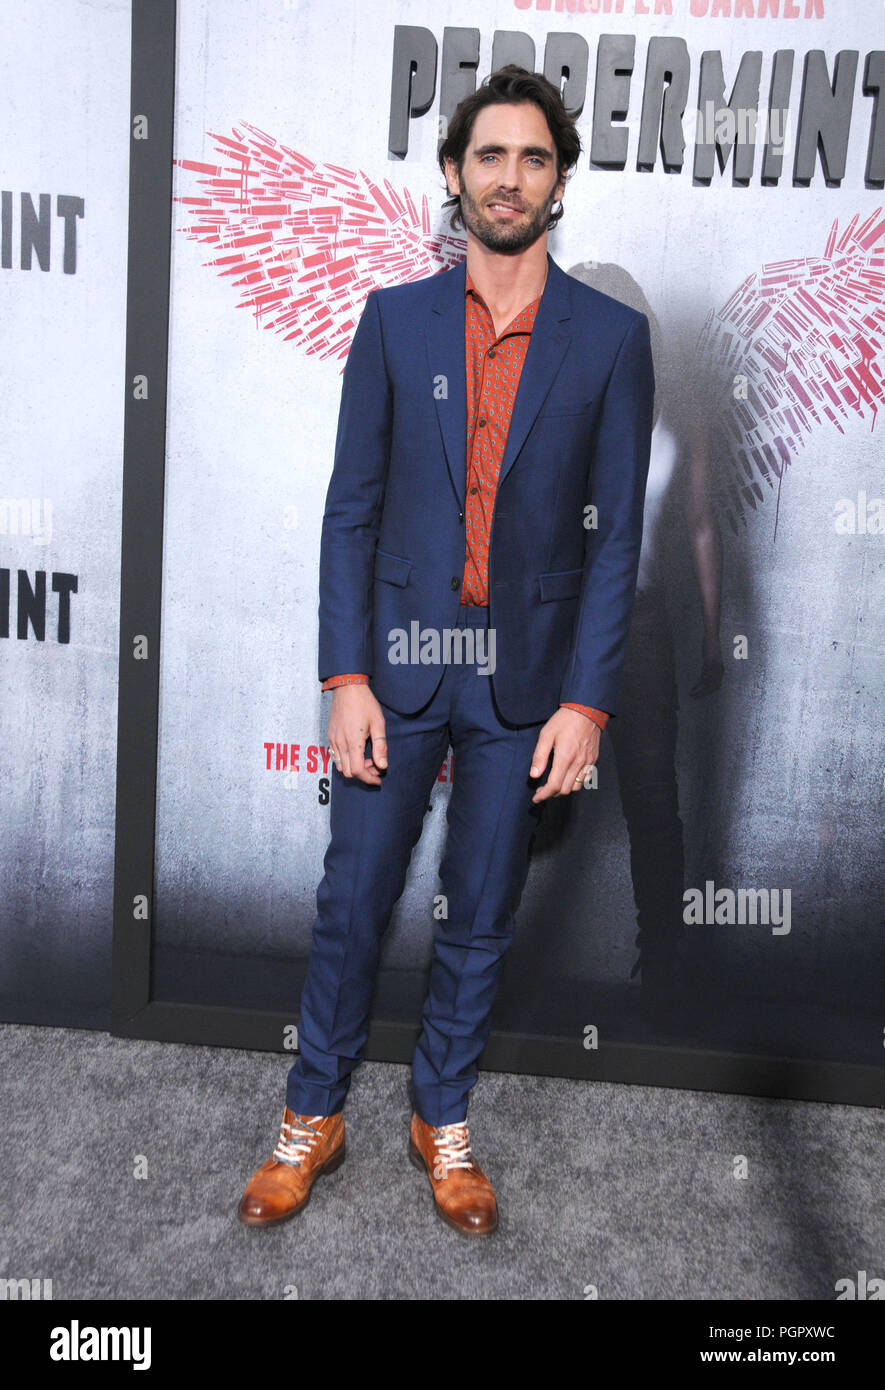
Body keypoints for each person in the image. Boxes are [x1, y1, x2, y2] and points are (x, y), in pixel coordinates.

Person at [238, 65, 655, 1236]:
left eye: (532, 157)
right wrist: (345, 676)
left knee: (480, 910)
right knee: (354, 897)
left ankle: (442, 1115)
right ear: (456, 175)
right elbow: (350, 513)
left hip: (526, 676)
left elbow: (618, 541)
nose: (508, 177)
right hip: (396, 664)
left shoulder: (612, 340)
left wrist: (588, 703)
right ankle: (313, 1112)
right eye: (489, 155)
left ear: (559, 181)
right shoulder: (393, 321)